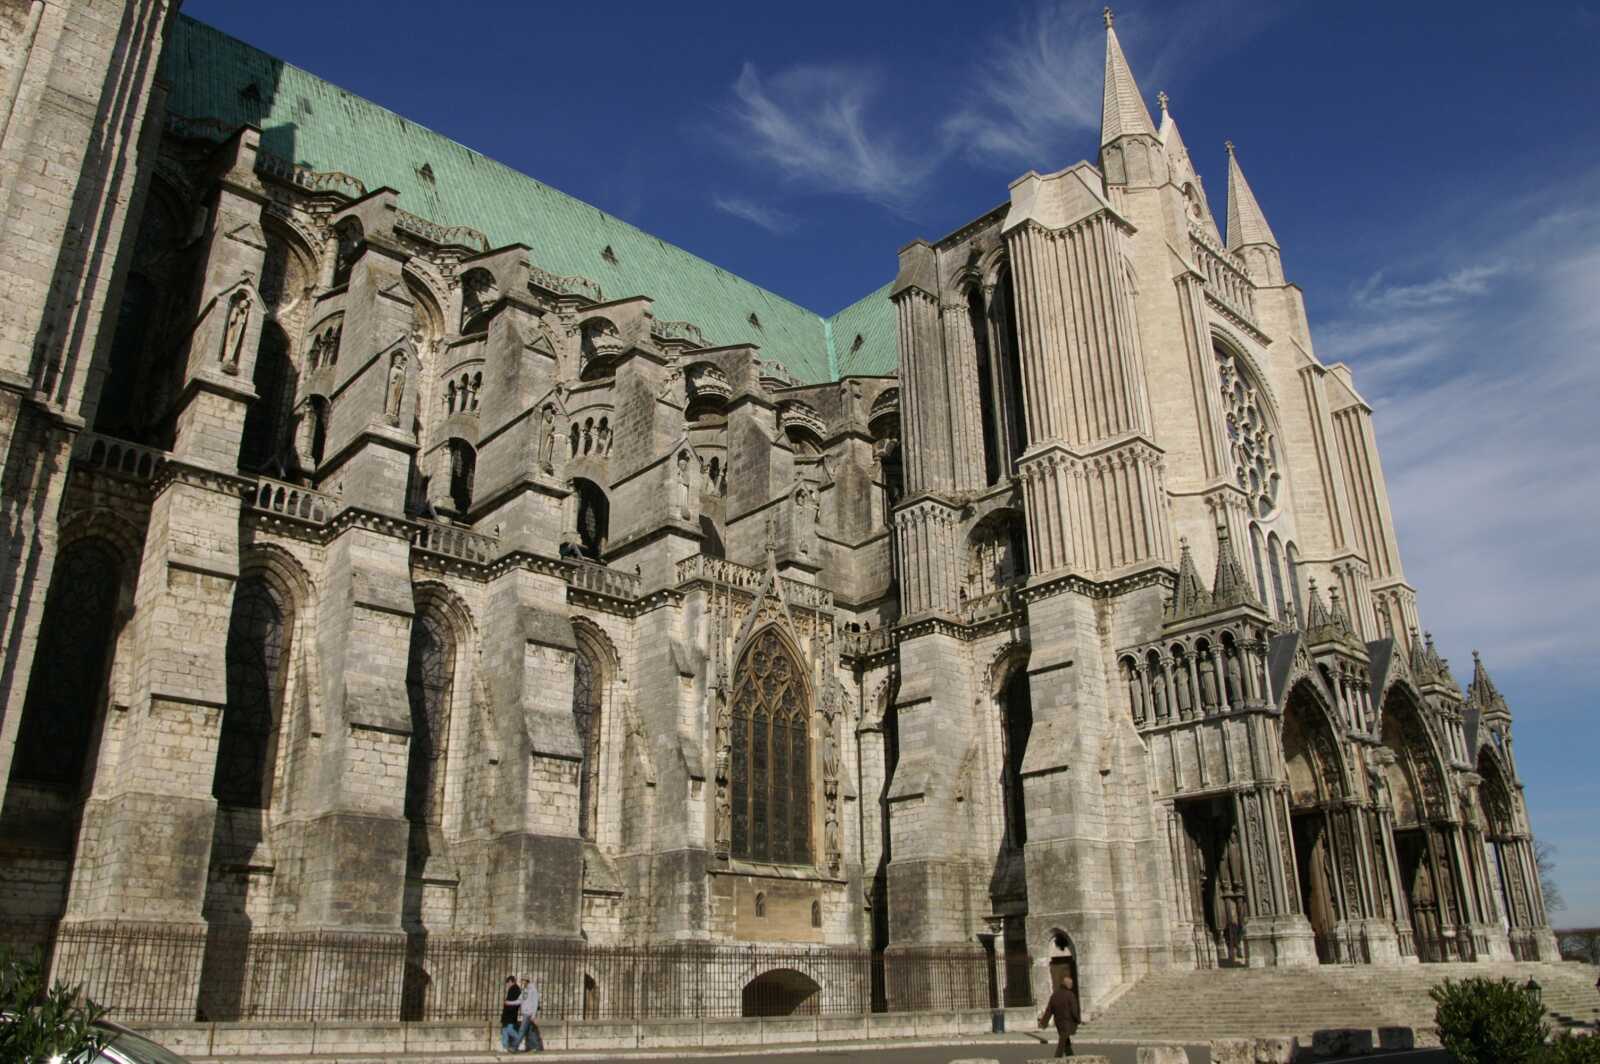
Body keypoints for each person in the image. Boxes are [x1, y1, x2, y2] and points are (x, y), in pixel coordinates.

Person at [1038, 973, 1082, 1058]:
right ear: (1067, 985)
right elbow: (1074, 1010)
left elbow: (1049, 1010)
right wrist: (1078, 1019)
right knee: (1062, 1042)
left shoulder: (1054, 995)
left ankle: (1071, 1056)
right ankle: (1057, 1058)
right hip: (1067, 1022)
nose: (1072, 985)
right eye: (1071, 984)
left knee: (1065, 1040)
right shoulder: (1070, 995)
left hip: (1058, 1022)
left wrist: (1044, 1023)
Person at [516, 976, 543, 1052]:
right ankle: (537, 1047)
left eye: (523, 980)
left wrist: (533, 1015)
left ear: (527, 981)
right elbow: (520, 999)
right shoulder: (525, 989)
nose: (522, 982)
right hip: (525, 1013)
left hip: (529, 1014)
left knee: (522, 1030)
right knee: (530, 1032)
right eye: (522, 980)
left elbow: (535, 1003)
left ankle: (515, 1046)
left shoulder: (533, 990)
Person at [499, 975, 522, 1052]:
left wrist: (507, 1003)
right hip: (509, 1013)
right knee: (505, 1029)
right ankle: (505, 1046)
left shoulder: (514, 989)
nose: (507, 984)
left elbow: (515, 1002)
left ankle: (519, 1040)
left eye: (508, 982)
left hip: (510, 1014)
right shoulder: (514, 989)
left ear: (511, 981)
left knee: (509, 1029)